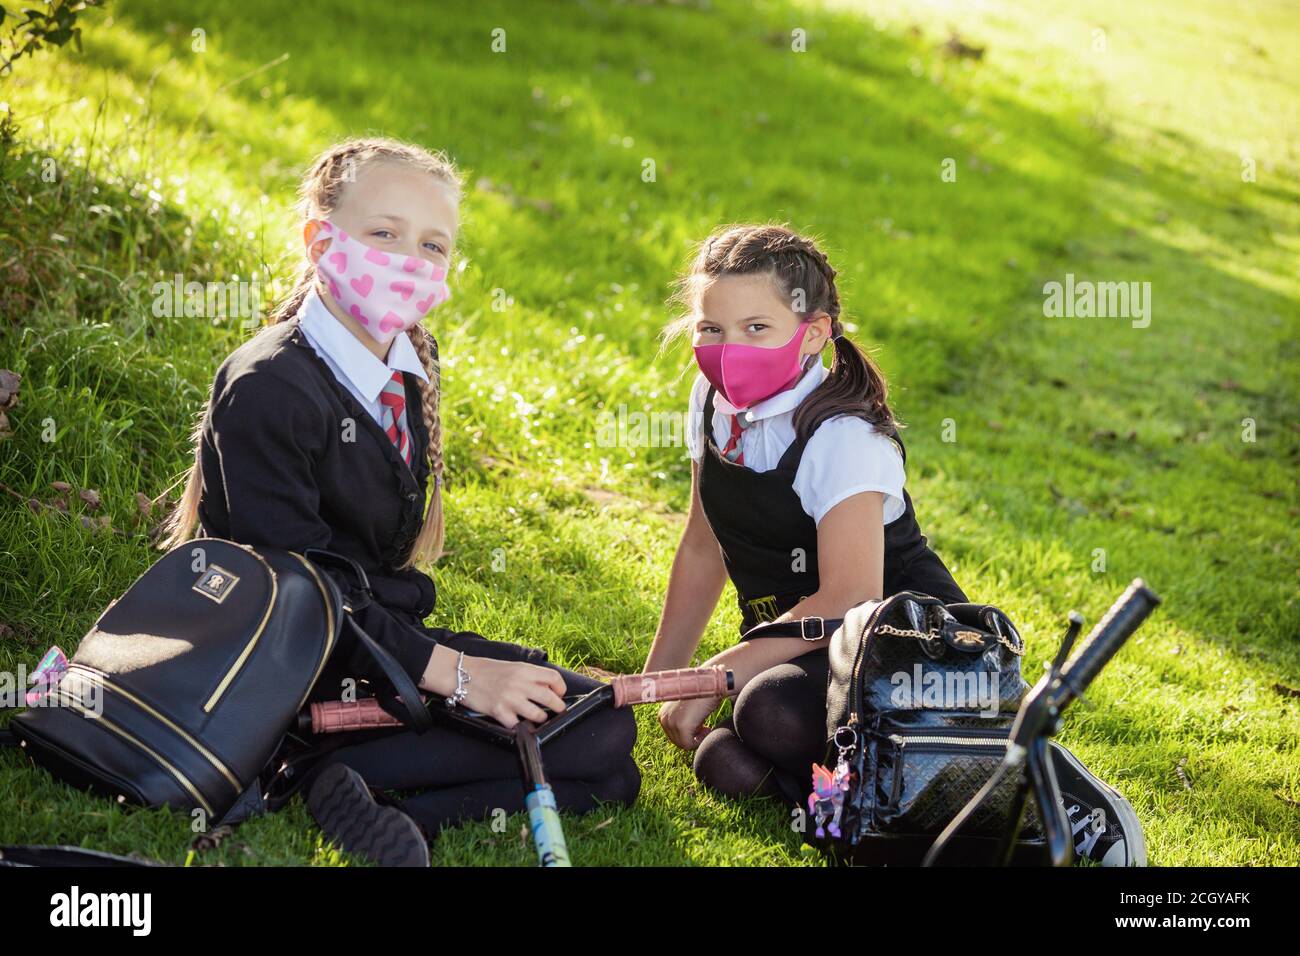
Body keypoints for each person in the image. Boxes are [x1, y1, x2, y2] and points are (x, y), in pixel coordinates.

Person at [161, 137, 638, 866]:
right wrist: (464, 676)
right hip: (294, 672)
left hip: (386, 648)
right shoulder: (269, 385)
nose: (408, 259)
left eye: (432, 244)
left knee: (606, 734)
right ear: (320, 238)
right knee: (591, 744)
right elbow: (305, 596)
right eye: (383, 233)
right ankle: (306, 766)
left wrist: (459, 670)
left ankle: (370, 799)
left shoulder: (411, 359)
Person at [642, 224, 1144, 865]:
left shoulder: (843, 435)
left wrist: (719, 674)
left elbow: (852, 596)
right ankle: (871, 819)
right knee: (725, 758)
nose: (727, 348)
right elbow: (703, 546)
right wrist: (659, 682)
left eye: (756, 328)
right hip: (807, 644)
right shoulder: (710, 401)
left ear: (814, 333)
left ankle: (1034, 776)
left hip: (908, 646)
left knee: (766, 708)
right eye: (710, 329)